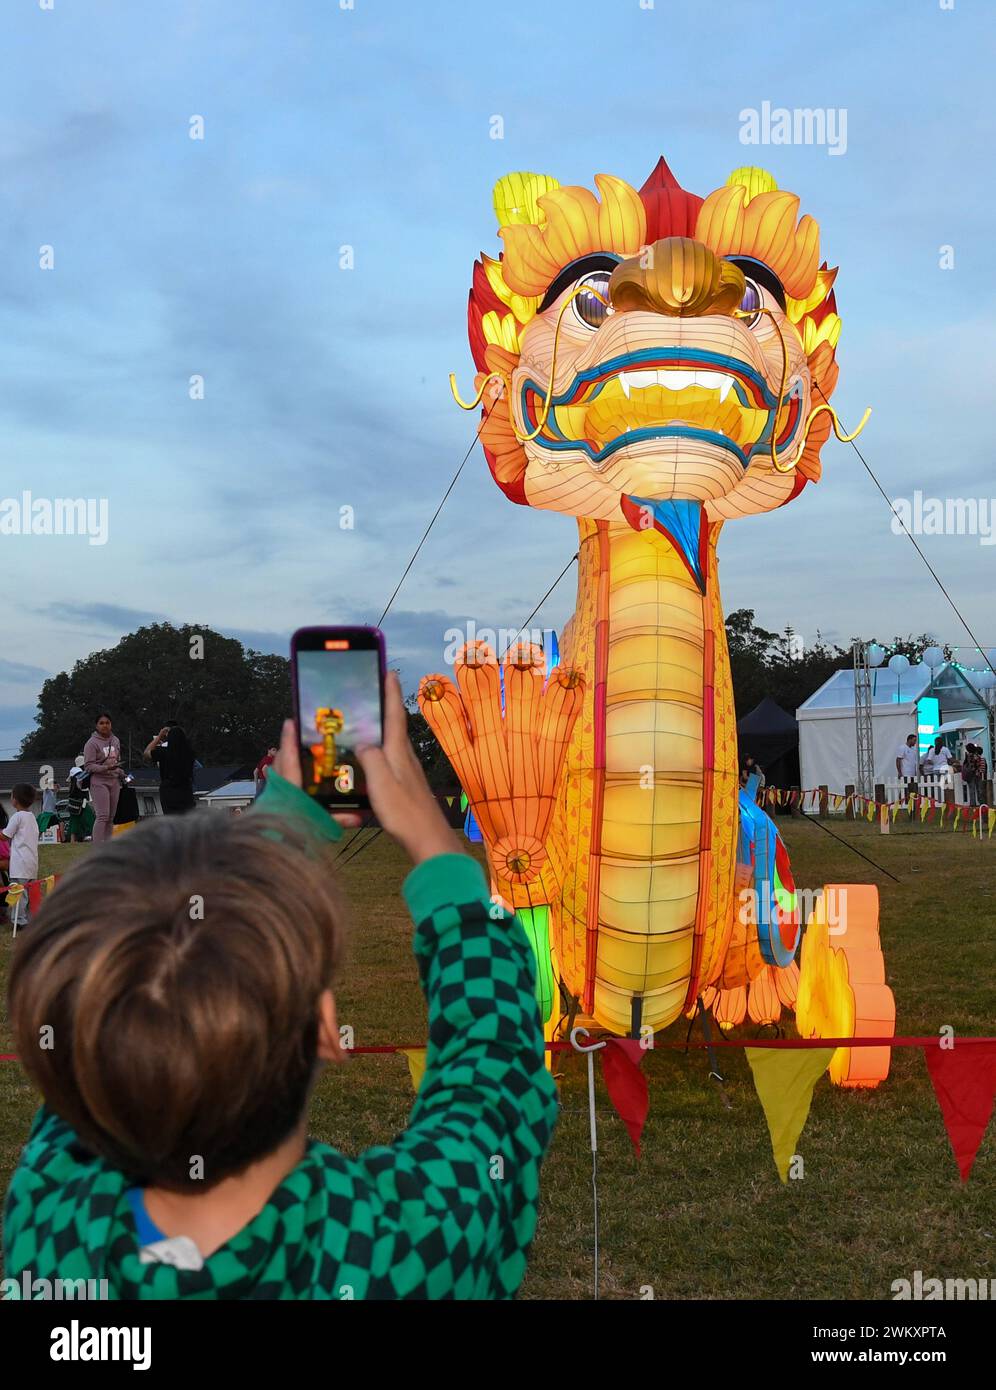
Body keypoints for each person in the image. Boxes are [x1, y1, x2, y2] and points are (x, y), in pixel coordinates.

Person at [2, 673, 557, 1300]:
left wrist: (286, 819)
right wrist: (434, 843)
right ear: (325, 1021)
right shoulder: (395, 1255)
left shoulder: (50, 1225)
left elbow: (91, 1039)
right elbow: (491, 1084)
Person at [2, 784, 40, 932]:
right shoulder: (32, 817)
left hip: (19, 864)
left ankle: (19, 920)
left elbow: (5, 835)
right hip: (31, 862)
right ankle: (27, 918)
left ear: (15, 800)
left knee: (18, 892)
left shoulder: (17, 817)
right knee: (28, 892)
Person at [83, 713, 125, 843]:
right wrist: (106, 768)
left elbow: (116, 760)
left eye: (107, 722)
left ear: (111, 724)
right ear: (96, 726)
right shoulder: (91, 743)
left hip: (114, 780)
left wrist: (120, 771)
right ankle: (97, 848)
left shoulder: (116, 740)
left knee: (111, 817)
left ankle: (108, 847)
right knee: (102, 816)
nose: (105, 725)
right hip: (99, 781)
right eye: (101, 723)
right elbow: (88, 766)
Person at [144, 723, 198, 815]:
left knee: (171, 821)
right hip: (186, 791)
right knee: (187, 821)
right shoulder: (190, 754)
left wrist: (159, 737)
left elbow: (146, 753)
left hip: (169, 791)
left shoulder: (164, 752)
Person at [895, 733, 919, 797]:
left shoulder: (913, 749)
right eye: (914, 740)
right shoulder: (903, 748)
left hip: (912, 774)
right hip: (905, 773)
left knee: (913, 791)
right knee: (904, 790)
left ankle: (911, 804)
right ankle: (900, 804)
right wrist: (899, 772)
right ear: (909, 740)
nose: (915, 742)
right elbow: (898, 760)